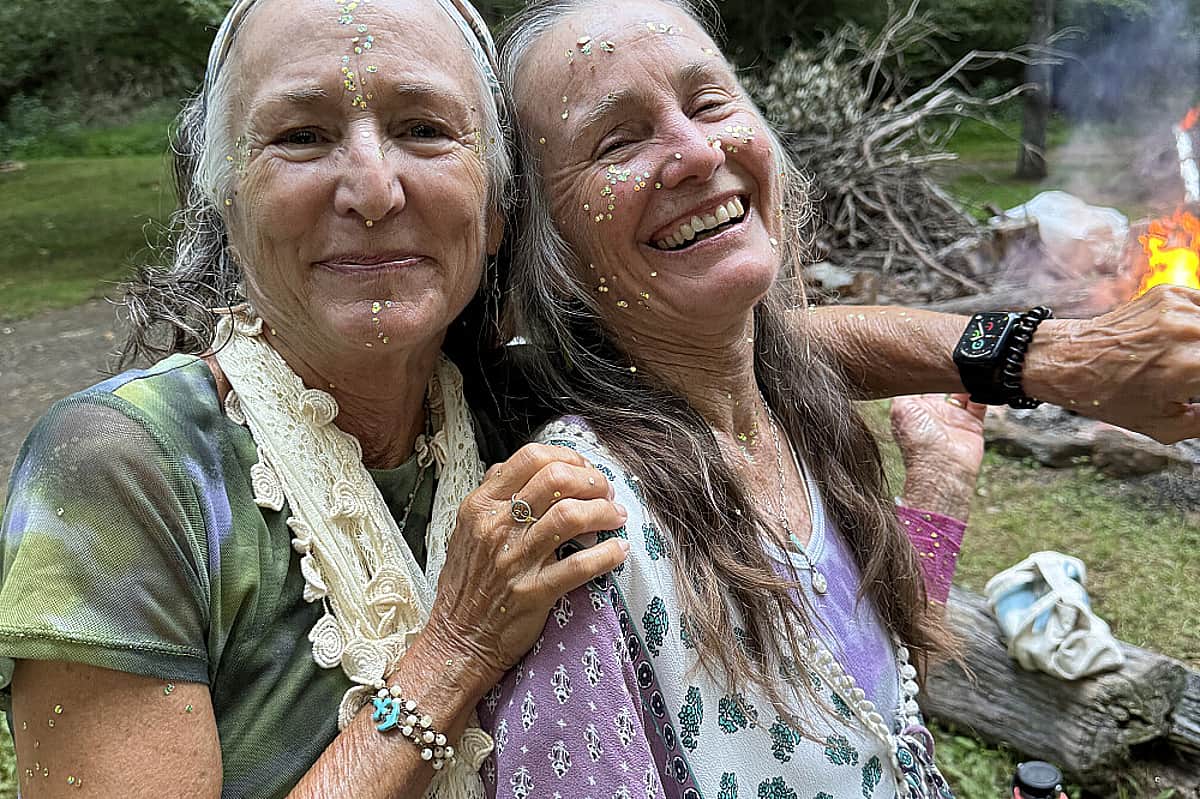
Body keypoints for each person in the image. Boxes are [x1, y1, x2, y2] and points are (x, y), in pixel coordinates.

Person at [0, 1, 631, 797]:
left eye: (425, 129)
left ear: (499, 208)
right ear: (225, 203)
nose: (372, 190)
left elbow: (745, 350)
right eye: (301, 137)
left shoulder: (531, 411)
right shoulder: (119, 468)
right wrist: (456, 649)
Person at [476, 1, 992, 795]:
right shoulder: (585, 523)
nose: (693, 150)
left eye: (709, 101)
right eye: (617, 140)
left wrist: (939, 485)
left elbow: (867, 711)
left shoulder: (799, 416)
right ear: (547, 245)